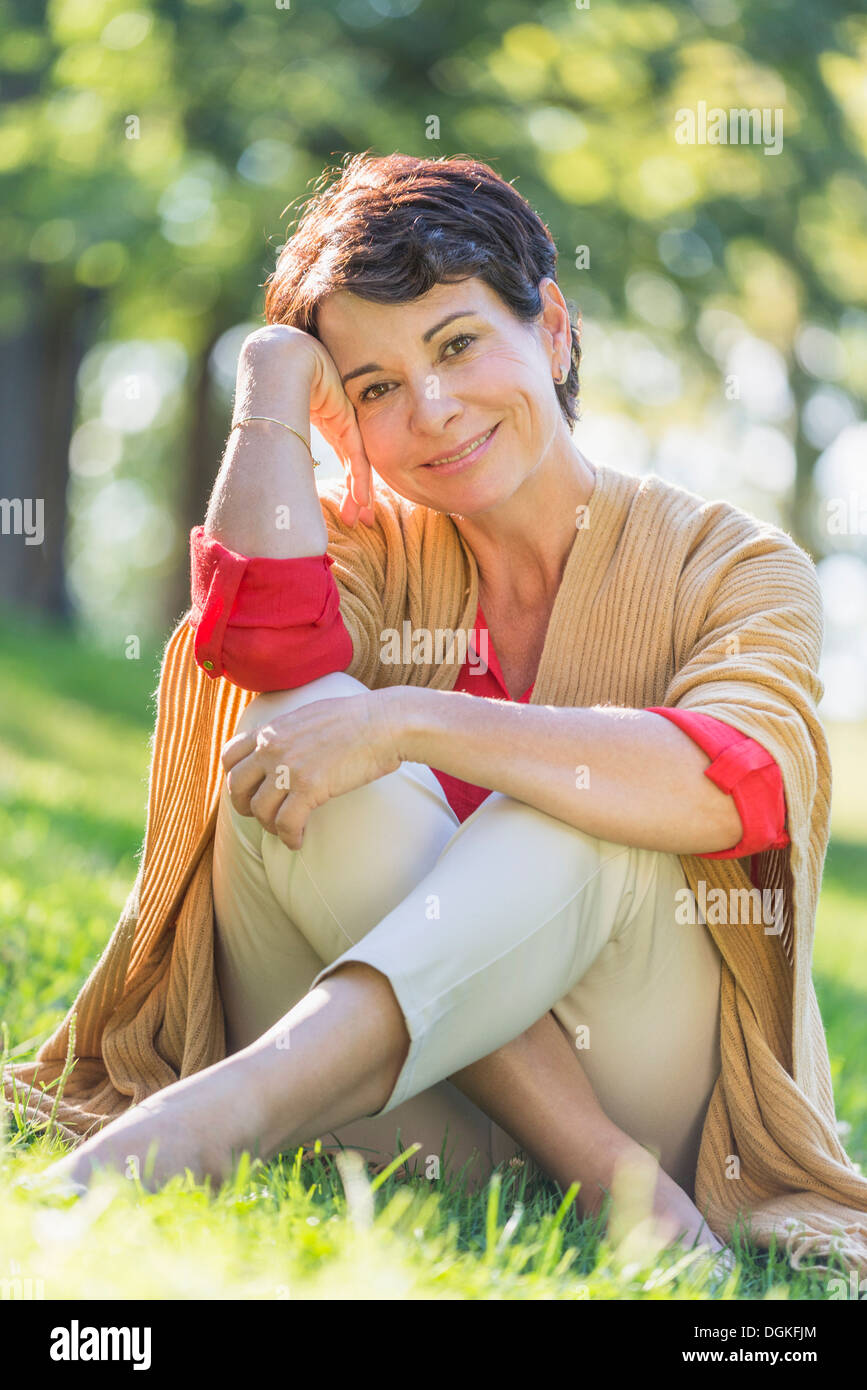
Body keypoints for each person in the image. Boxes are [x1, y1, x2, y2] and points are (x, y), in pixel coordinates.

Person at [27, 153, 866, 1278]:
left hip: (643, 1075)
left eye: (459, 344)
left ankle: (215, 1116)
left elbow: (733, 784)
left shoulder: (735, 563)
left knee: (578, 801)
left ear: (552, 331)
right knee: (302, 714)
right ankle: (606, 1183)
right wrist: (272, 378)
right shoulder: (372, 544)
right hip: (408, 1123)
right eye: (374, 386)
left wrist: (413, 719)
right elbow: (253, 644)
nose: (429, 410)